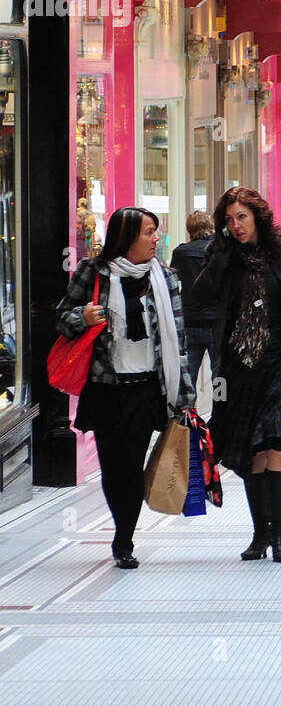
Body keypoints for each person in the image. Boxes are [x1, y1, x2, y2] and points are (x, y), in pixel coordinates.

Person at [193, 187, 281, 564]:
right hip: (241, 366)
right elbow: (202, 294)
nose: (236, 226)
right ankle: (260, 534)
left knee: (279, 442)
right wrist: (221, 252)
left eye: (241, 217)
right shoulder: (223, 254)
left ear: (257, 215)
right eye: (228, 220)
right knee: (253, 448)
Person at [56, 207, 196, 569]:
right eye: (149, 232)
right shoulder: (93, 272)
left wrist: (183, 394)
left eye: (156, 232)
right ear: (126, 236)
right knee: (111, 465)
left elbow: (178, 339)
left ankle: (124, 538)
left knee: (132, 464)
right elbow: (61, 316)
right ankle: (121, 524)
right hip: (105, 387)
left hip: (145, 387)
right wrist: (81, 317)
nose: (155, 239)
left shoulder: (166, 278)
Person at [170, 211, 216, 392]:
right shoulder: (218, 251)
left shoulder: (180, 253)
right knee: (220, 377)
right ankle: (219, 413)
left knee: (188, 377)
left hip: (190, 322)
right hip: (215, 323)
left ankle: (186, 416)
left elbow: (173, 282)